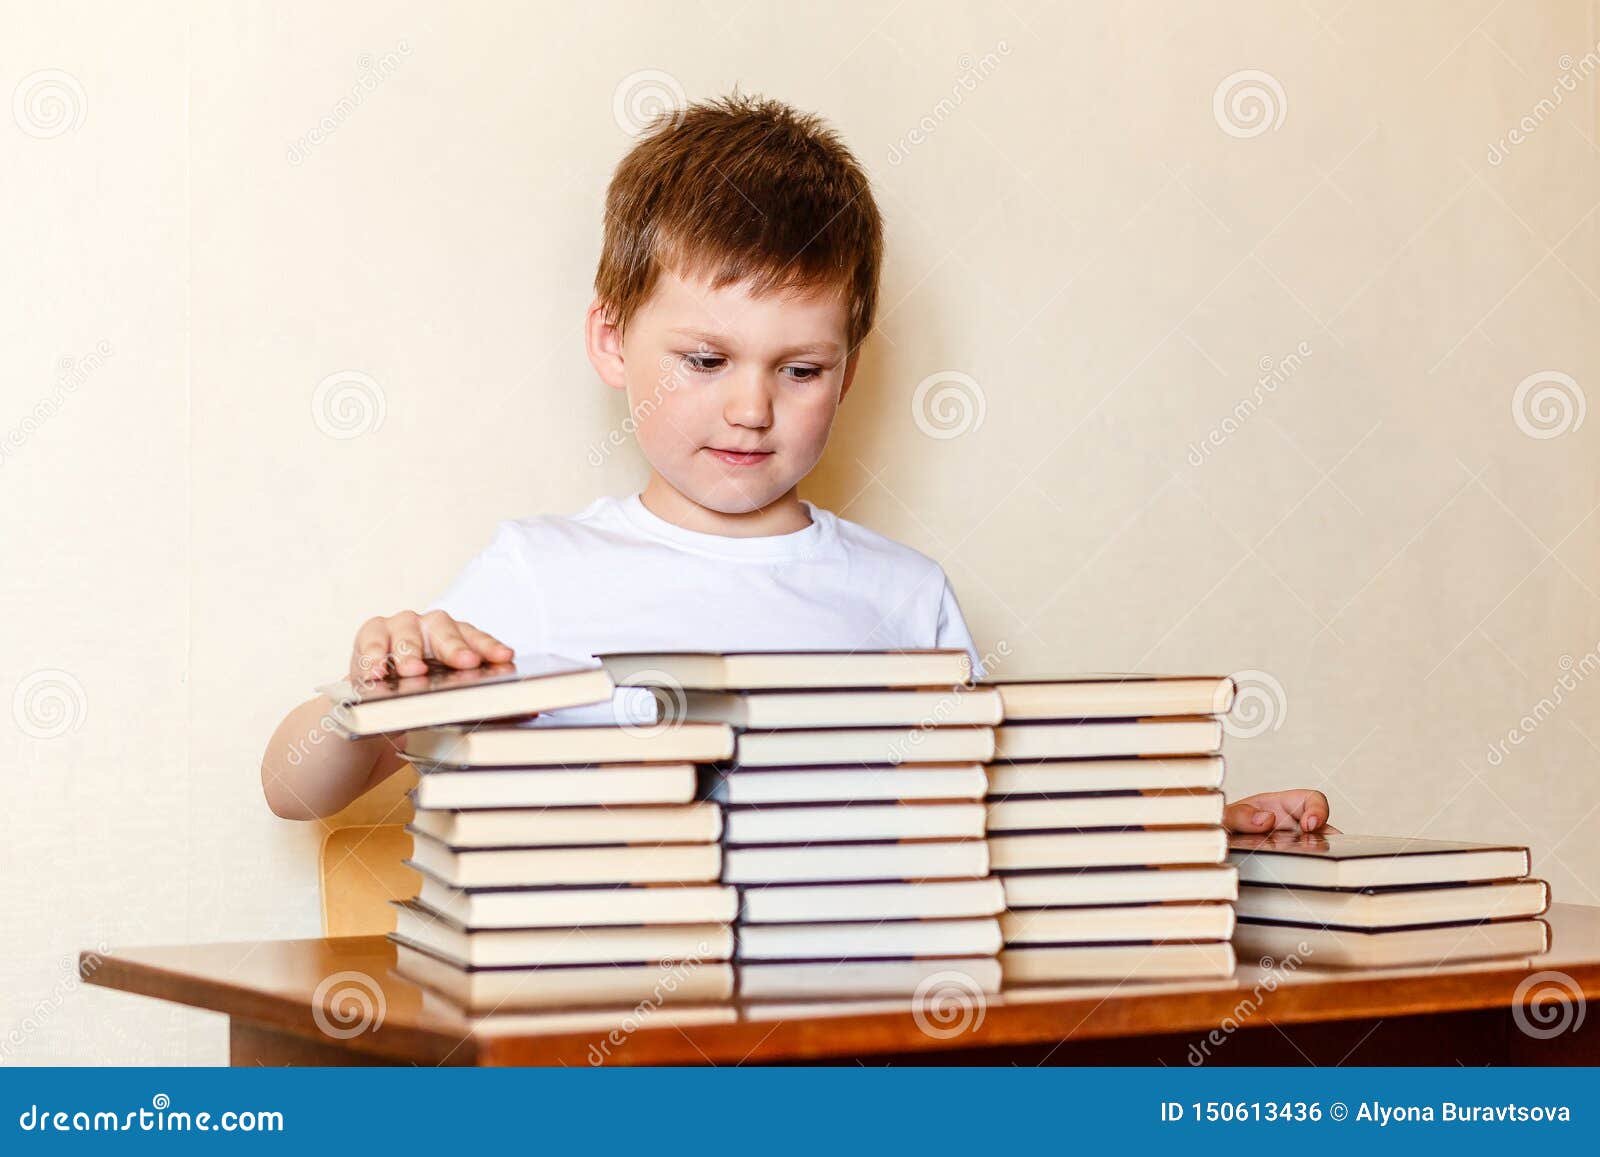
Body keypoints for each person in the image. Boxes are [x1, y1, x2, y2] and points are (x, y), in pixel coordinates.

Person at [259, 93, 1331, 836]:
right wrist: (378, 696)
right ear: (609, 339)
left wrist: (1197, 839)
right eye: (705, 358)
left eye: (801, 367)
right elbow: (292, 788)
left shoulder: (903, 597)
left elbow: (999, 825)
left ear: (850, 368)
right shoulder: (537, 574)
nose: (751, 407)